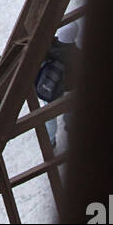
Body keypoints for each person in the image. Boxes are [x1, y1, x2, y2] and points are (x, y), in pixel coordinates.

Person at [36, 20, 81, 148]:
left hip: (51, 88)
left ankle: (50, 141)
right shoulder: (76, 53)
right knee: (71, 112)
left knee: (50, 117)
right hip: (69, 90)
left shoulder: (50, 46)